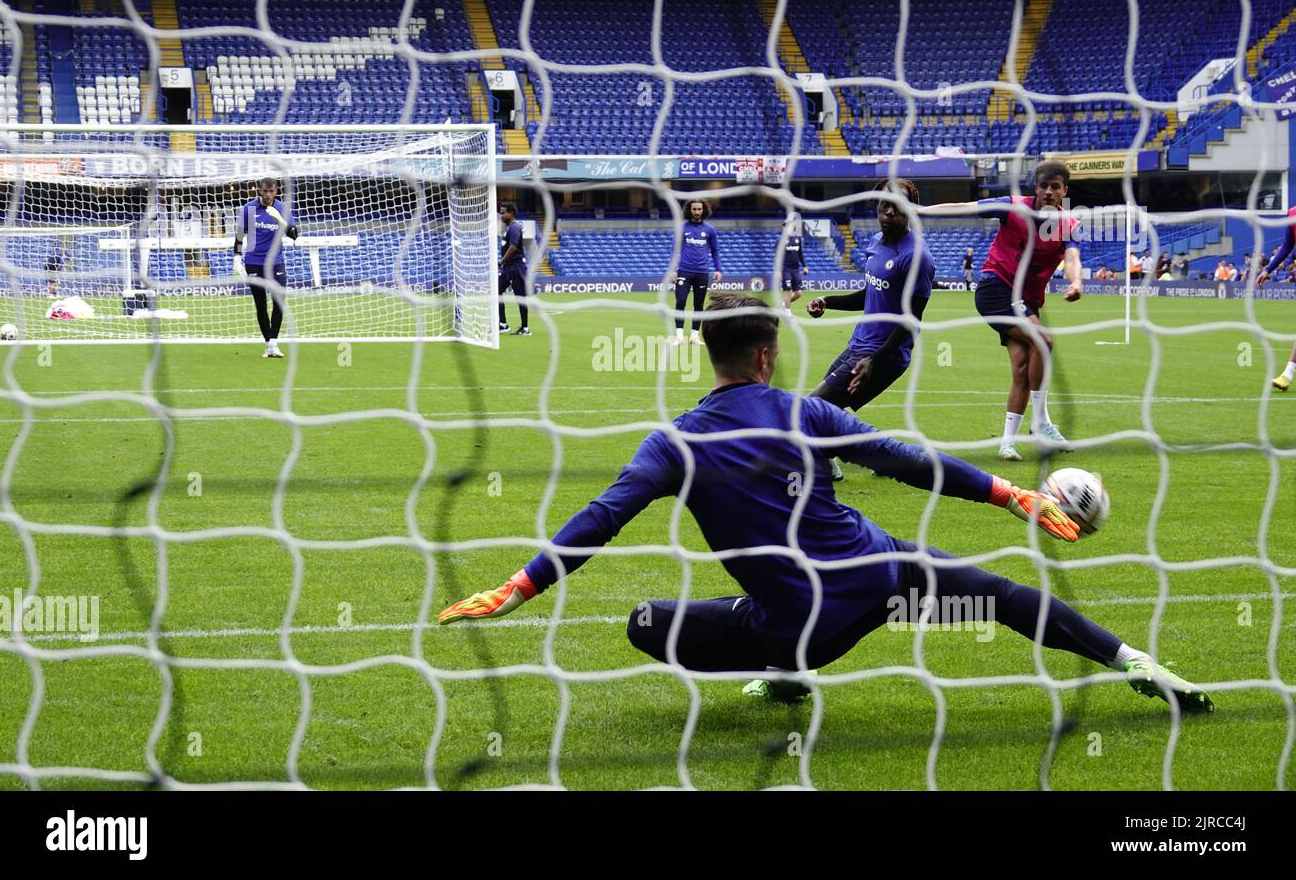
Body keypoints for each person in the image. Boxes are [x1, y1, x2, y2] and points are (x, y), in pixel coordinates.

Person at [437, 293, 1213, 715]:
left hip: (808, 634)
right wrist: (1011, 494)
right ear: (767, 355)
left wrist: (520, 586)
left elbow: (602, 518)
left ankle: (784, 673)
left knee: (646, 622)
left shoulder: (671, 444)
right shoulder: (808, 414)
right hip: (893, 583)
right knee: (1001, 598)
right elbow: (904, 460)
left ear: (710, 353)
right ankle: (1134, 661)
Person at [924, 161, 1083, 461]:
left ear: (1064, 191)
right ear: (1035, 188)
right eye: (1044, 186)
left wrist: (1076, 282)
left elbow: (1072, 257)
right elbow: (964, 207)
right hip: (996, 288)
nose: (1049, 192)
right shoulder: (1012, 207)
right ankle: (1041, 423)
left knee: (1023, 367)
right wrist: (920, 211)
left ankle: (1007, 444)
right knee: (1043, 341)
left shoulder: (1069, 224)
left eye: (1055, 187)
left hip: (1027, 301)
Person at [806, 179, 934, 481]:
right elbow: (870, 294)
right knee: (825, 409)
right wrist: (828, 301)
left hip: (884, 354)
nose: (889, 212)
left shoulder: (916, 256)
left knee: (812, 407)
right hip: (858, 345)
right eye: (884, 205)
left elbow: (911, 319)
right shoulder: (876, 242)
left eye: (897, 207)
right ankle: (892, 460)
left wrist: (875, 358)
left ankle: (826, 464)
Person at [234, 176, 297, 358]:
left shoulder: (282, 209)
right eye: (265, 191)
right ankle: (269, 345)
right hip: (254, 262)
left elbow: (295, 235)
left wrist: (281, 221)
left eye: (272, 191)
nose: (269, 195)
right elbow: (239, 234)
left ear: (276, 191)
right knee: (260, 305)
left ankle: (274, 343)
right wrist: (237, 258)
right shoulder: (249, 209)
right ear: (258, 191)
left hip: (276, 262)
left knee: (279, 302)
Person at [1256, 206, 1296, 390]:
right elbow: (1287, 245)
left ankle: (1287, 375)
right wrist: (1267, 270)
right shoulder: (1292, 214)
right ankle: (1286, 375)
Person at [672, 200, 721, 345]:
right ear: (689, 210)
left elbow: (715, 251)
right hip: (684, 272)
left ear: (703, 210)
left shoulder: (710, 230)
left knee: (698, 305)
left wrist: (718, 269)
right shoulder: (682, 228)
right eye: (694, 209)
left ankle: (694, 336)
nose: (697, 212)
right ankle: (679, 336)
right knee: (680, 301)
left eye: (699, 209)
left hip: (702, 273)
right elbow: (674, 250)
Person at [497, 202, 530, 335]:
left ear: (511, 213)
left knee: (520, 297)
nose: (501, 214)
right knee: (496, 292)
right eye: (500, 212)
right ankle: (503, 324)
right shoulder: (508, 228)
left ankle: (525, 328)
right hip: (507, 268)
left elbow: (513, 247)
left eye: (503, 212)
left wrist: (501, 261)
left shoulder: (515, 227)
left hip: (516, 267)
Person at [779, 212, 808, 313]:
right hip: (785, 269)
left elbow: (800, 254)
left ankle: (784, 304)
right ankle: (787, 312)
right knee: (788, 291)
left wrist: (805, 266)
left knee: (799, 293)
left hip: (795, 270)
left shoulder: (798, 239)